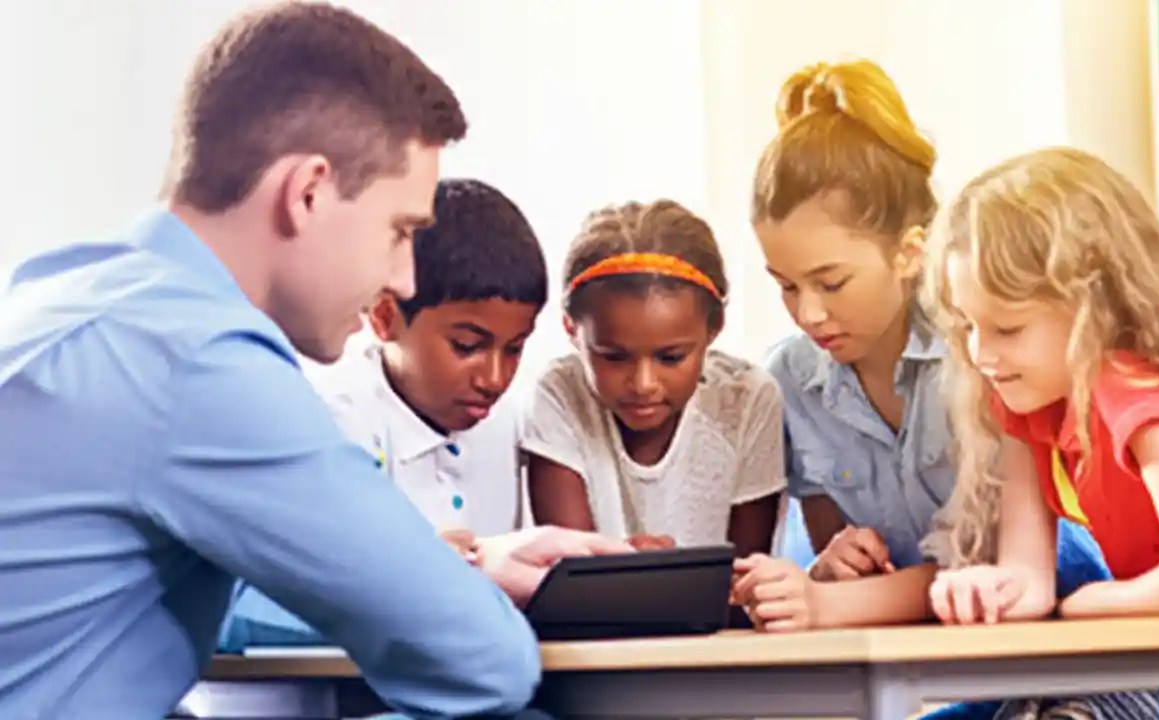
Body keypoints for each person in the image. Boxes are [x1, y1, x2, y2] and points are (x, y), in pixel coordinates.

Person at [0, 5, 627, 719]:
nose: (404, 279)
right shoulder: (201, 361)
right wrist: (460, 597)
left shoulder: (78, 295)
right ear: (309, 193)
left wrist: (474, 565)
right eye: (400, 232)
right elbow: (486, 664)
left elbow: (234, 604)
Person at [734, 61, 1156, 719]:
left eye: (831, 282)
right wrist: (833, 568)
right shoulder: (788, 381)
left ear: (908, 253)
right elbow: (847, 560)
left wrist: (827, 603)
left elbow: (987, 566)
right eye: (786, 285)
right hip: (927, 659)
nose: (808, 312)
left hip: (1051, 637)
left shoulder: (989, 358)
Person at [925, 146, 1159, 719]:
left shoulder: (1133, 393)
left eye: (1008, 328)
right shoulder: (1029, 408)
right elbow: (1030, 580)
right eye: (967, 325)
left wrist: (1086, 605)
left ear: (1093, 306)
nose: (980, 353)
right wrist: (990, 590)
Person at [222, 176, 551, 650]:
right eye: (467, 346)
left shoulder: (513, 420)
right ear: (383, 316)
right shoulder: (327, 421)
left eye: (515, 348)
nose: (495, 377)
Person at [521, 199, 786, 556]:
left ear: (714, 328)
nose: (644, 383)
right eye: (613, 357)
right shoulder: (561, 394)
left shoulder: (746, 399)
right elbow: (571, 572)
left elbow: (744, 575)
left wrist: (643, 579)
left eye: (671, 357)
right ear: (572, 330)